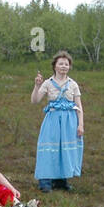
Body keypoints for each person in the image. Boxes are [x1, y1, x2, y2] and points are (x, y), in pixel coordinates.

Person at [31, 49, 84, 192]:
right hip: (52, 120)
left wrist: (80, 125)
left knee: (64, 150)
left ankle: (61, 179)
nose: (63, 66)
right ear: (55, 66)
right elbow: (35, 101)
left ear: (69, 66)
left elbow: (79, 106)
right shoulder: (48, 83)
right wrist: (37, 86)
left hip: (69, 122)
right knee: (49, 149)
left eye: (66, 64)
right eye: (61, 64)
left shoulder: (73, 84)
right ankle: (45, 180)